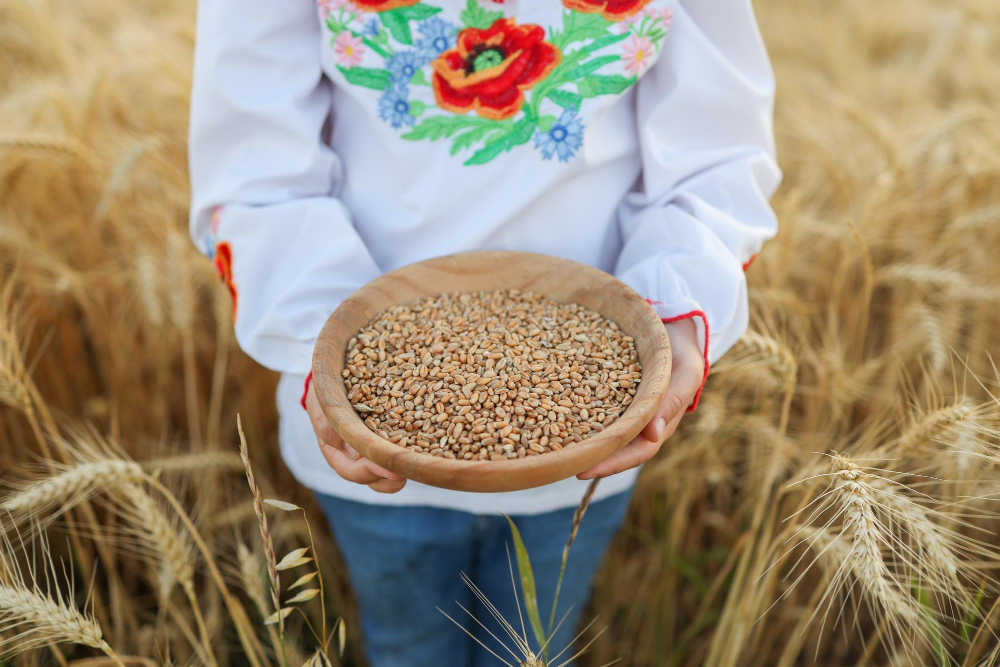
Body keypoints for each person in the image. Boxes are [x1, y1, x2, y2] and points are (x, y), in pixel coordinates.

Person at [188, 0, 780, 663]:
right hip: (363, 443)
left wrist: (674, 313)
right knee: (410, 647)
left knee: (532, 648)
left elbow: (716, 153)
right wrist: (332, 348)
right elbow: (255, 166)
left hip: (591, 438)